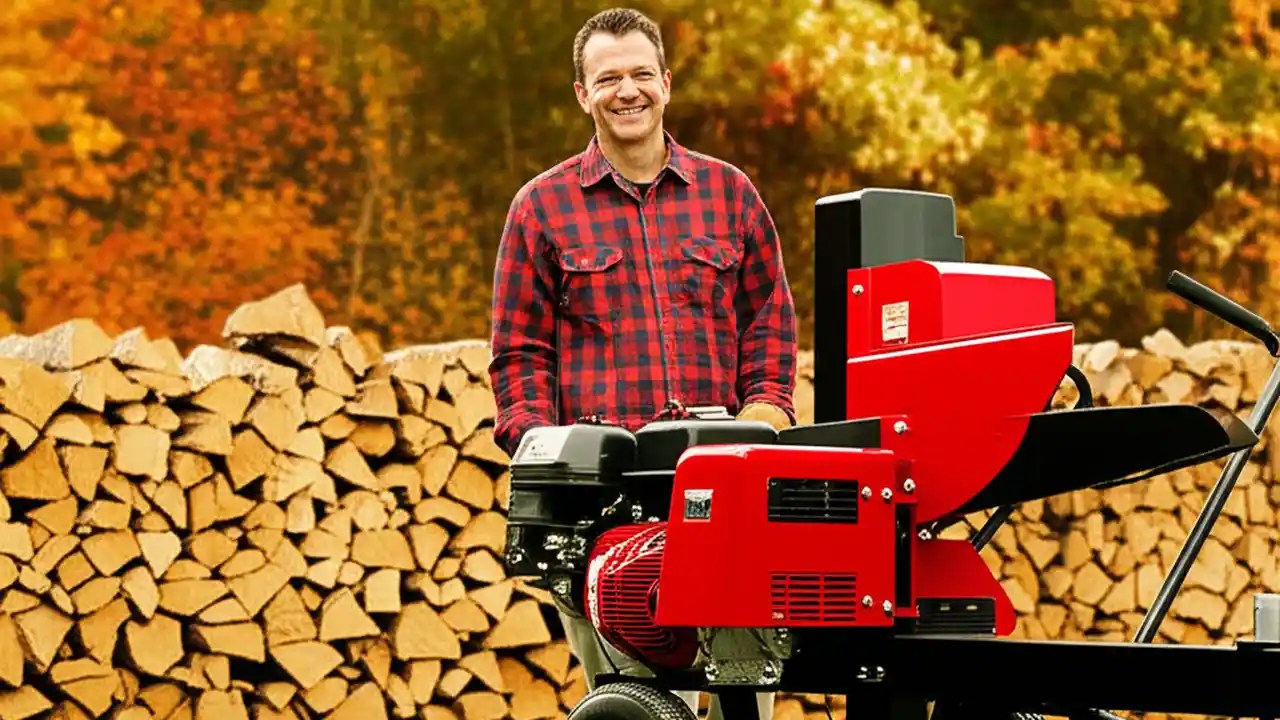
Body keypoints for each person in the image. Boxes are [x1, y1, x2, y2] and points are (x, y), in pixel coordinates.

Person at [488, 6, 796, 719]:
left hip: (726, 499)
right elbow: (518, 355)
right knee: (630, 707)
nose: (626, 91)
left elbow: (770, 326)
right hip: (607, 511)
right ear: (581, 94)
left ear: (666, 82)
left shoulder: (731, 194)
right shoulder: (541, 208)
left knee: (743, 697)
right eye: (607, 79)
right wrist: (550, 454)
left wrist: (763, 418)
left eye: (639, 75)